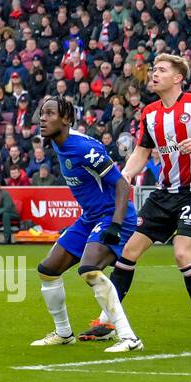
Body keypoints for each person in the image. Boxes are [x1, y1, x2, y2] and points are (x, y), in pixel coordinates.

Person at [104, 55, 191, 345]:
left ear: (178, 78)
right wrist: (123, 177)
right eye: (153, 70)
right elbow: (141, 152)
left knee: (182, 254)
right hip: (163, 194)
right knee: (128, 252)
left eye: (161, 70)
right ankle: (108, 320)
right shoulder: (149, 112)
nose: (154, 74)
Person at [29, 97, 141, 352]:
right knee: (48, 269)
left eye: (49, 113)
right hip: (89, 217)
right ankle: (63, 333)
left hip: (113, 215)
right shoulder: (57, 143)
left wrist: (116, 224)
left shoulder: (83, 148)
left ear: (66, 120)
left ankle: (129, 337)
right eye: (41, 113)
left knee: (89, 268)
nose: (42, 118)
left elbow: (122, 184)